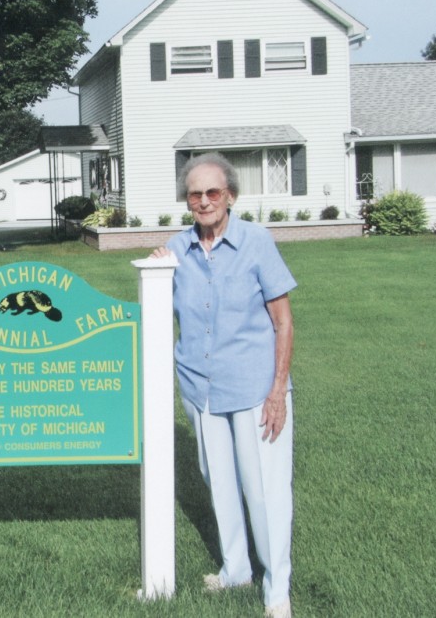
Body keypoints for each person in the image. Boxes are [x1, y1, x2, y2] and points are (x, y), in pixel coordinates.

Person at [150, 153, 296, 618]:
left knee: (264, 491)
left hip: (255, 388)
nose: (205, 201)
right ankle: (236, 569)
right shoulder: (177, 249)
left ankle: (276, 591)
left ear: (230, 195)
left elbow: (284, 322)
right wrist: (156, 270)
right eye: (195, 194)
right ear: (186, 200)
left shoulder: (257, 241)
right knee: (219, 483)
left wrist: (278, 391)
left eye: (214, 192)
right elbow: (159, 308)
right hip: (201, 389)